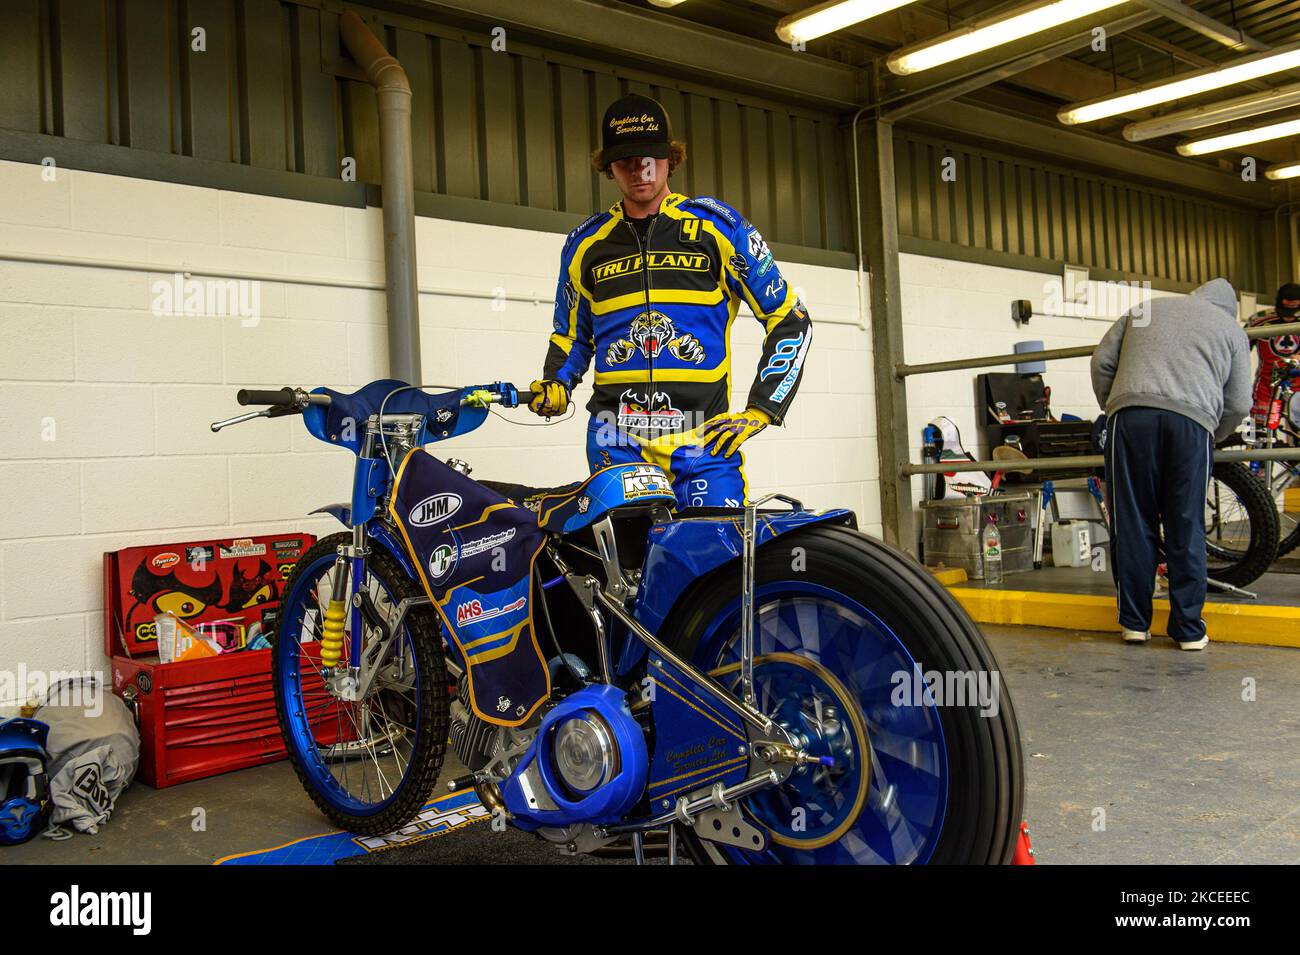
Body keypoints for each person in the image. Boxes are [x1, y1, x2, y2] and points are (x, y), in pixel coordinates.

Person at [526, 93, 812, 509]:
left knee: (714, 563)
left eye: (650, 158)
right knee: (627, 566)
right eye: (625, 160)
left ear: (670, 159)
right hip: (615, 438)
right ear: (608, 166)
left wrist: (761, 409)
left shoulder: (718, 229)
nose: (639, 170)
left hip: (702, 440)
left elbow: (790, 319)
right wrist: (557, 381)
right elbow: (571, 336)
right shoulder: (584, 244)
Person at [1090, 278, 1252, 651]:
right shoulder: (1230, 329)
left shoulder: (1146, 309)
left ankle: (1134, 623)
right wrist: (1213, 430)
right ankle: (1188, 629)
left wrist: (1114, 404)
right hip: (1192, 424)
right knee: (1185, 523)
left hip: (1130, 418)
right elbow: (1240, 402)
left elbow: (1102, 362)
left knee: (1132, 521)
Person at [1246, 282, 1300, 426]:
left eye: (1293, 313)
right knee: (1253, 434)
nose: (1288, 318)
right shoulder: (1258, 320)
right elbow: (1238, 350)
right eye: (1285, 311)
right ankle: (1248, 446)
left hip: (1298, 388)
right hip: (1265, 388)